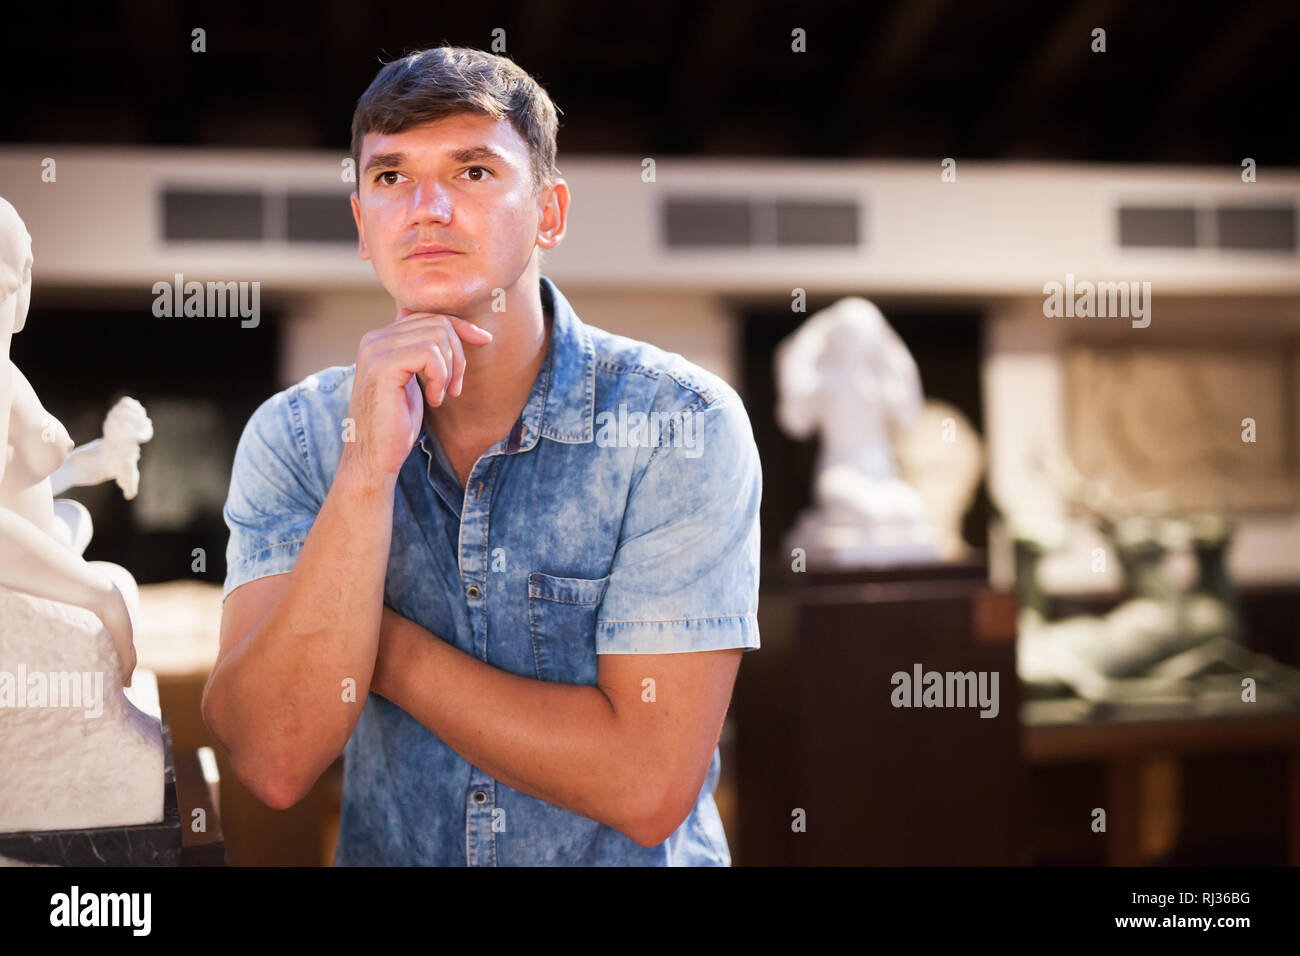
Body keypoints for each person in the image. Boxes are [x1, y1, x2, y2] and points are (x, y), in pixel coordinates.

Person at [201, 45, 762, 866]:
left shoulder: (678, 424)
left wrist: (372, 644)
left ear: (550, 213)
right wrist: (363, 474)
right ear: (363, 223)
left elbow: (647, 787)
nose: (425, 207)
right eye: (390, 177)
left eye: (472, 172)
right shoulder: (297, 438)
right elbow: (271, 759)